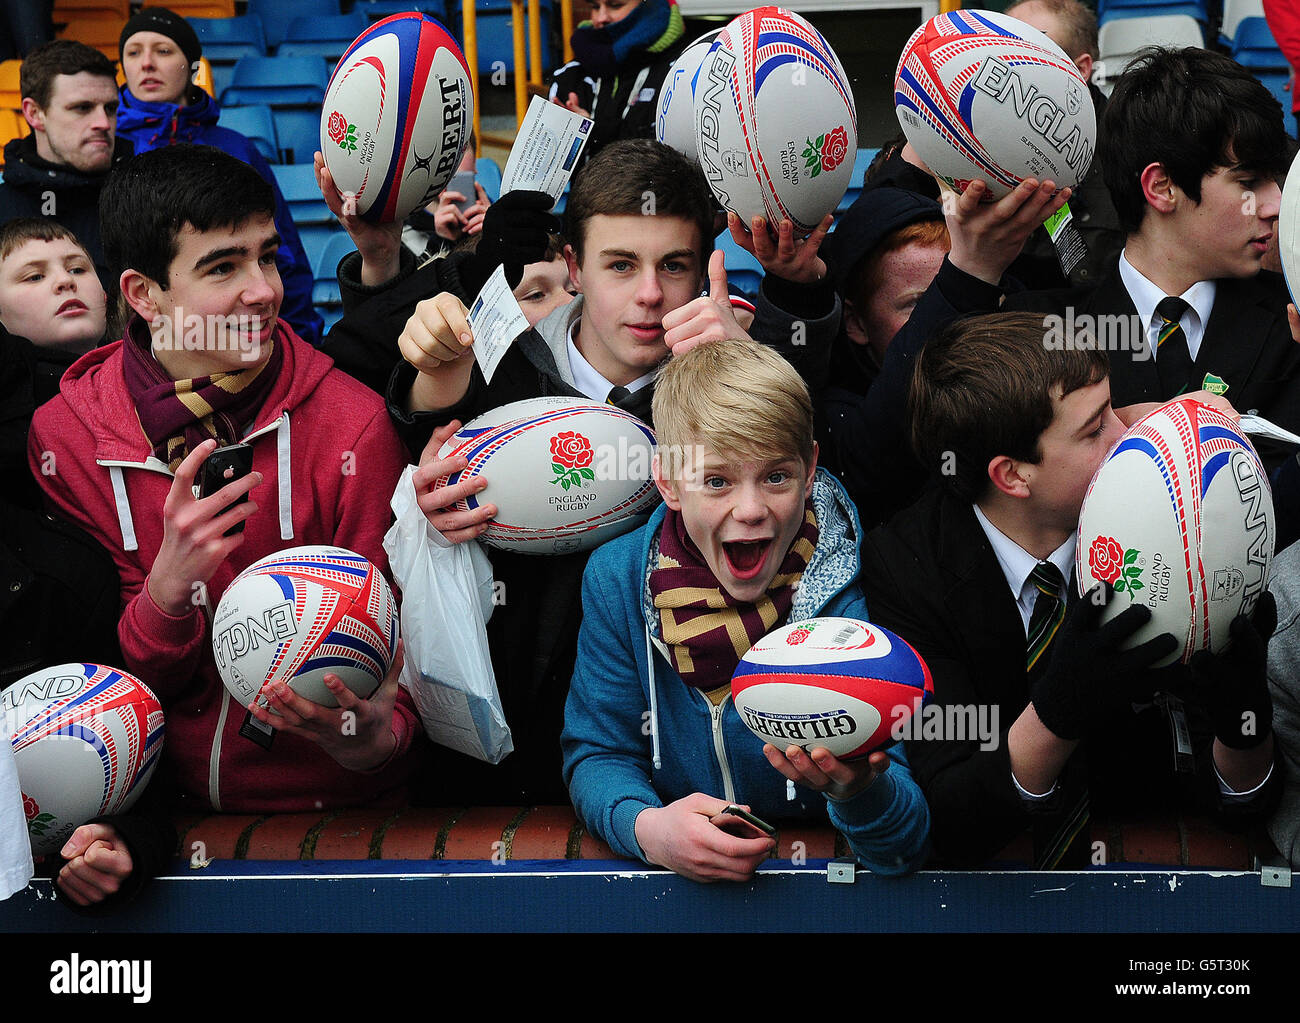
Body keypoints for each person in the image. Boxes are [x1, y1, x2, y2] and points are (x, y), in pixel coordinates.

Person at [390, 138, 835, 804]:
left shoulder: (736, 373)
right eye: (621, 265)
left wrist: (749, 377)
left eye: (674, 265)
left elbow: (824, 481)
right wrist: (425, 407)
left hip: (670, 780)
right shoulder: (500, 368)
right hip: (502, 757)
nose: (650, 295)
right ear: (573, 264)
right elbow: (426, 411)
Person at [27, 144, 420, 817]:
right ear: (143, 295)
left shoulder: (353, 426)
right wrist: (168, 591)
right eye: (222, 267)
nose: (265, 289)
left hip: (338, 819)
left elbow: (401, 669)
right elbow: (111, 680)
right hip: (154, 826)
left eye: (266, 255)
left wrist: (372, 740)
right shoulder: (65, 437)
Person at [859, 311, 1280, 868]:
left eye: (1112, 407)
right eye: (1094, 428)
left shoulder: (1174, 525)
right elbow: (955, 813)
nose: (1126, 433)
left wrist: (1242, 722)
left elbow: (1244, 806)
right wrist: (1057, 715)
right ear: (1011, 475)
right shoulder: (910, 565)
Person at [561, 337, 930, 881]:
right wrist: (650, 829)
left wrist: (859, 792)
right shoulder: (617, 580)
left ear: (810, 471)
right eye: (717, 481)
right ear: (668, 481)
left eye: (777, 476)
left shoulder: (857, 583)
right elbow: (599, 754)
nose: (752, 510)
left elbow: (904, 852)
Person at [1003, 47, 1298, 468]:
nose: (1274, 203)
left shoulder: (1293, 323)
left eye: (1277, 179)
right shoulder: (1040, 332)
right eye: (1248, 181)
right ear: (1161, 188)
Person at [114, 7, 323, 346]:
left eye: (163, 51)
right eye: (133, 52)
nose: (146, 63)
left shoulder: (235, 148)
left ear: (193, 66)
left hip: (240, 339)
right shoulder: (108, 149)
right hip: (140, 342)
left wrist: (297, 341)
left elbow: (284, 254)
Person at [817, 187, 947, 478]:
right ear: (856, 323)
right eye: (918, 304)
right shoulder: (837, 421)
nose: (946, 317)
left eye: (955, 292)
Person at [1003, 0, 1124, 289]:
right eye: (1001, 51)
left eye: (1031, 52)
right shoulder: (975, 143)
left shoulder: (1130, 150)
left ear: (1081, 68)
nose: (1011, 68)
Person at [0, 40, 133, 297]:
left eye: (110, 108)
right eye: (82, 108)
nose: (103, 123)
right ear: (35, 113)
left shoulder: (145, 202)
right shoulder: (3, 209)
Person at [548, 0, 688, 167]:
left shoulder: (683, 70)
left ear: (651, 6)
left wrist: (594, 134)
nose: (601, 18)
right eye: (595, 6)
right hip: (585, 193)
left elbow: (674, 166)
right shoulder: (570, 75)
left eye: (615, 5)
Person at [0, 218, 109, 405]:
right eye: (35, 277)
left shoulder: (152, 370)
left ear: (104, 294)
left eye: (77, 270)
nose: (65, 280)